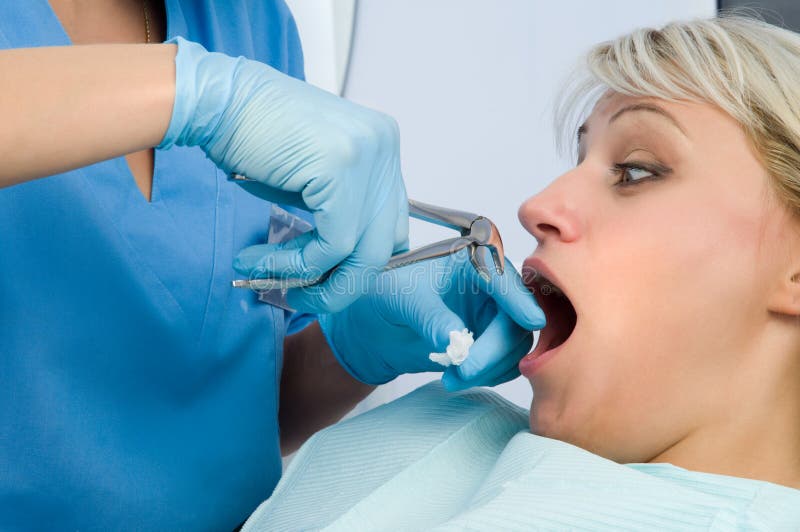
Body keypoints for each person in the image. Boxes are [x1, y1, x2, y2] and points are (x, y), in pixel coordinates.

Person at [241, 14, 800, 531]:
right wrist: (344, 350)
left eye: (634, 171)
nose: (536, 207)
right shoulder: (444, 427)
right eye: (578, 161)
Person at [0, 1, 545, 530]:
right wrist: (195, 96)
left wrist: (352, 346)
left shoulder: (253, 23)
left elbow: (245, 404)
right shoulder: (232, 81)